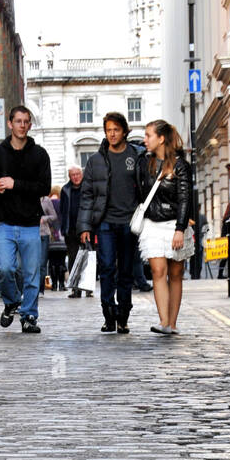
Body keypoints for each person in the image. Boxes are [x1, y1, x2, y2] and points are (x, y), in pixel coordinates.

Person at [0, 105, 51, 335]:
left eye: (26, 121)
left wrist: (15, 184)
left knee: (31, 274)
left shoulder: (39, 154)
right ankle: (11, 302)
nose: (22, 125)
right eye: (18, 121)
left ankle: (29, 316)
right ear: (10, 124)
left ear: (29, 125)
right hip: (4, 221)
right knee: (5, 268)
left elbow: (44, 187)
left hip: (30, 222)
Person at [78, 112, 143, 333]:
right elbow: (87, 195)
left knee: (126, 270)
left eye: (116, 129)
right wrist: (85, 226)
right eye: (108, 130)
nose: (112, 134)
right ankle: (108, 314)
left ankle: (123, 315)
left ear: (125, 131)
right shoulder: (96, 160)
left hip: (129, 222)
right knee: (106, 268)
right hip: (105, 222)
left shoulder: (136, 156)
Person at [135, 119, 193, 336]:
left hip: (174, 225)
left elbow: (185, 198)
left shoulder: (181, 165)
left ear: (160, 138)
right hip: (153, 225)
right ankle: (163, 321)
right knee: (158, 271)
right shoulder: (144, 163)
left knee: (176, 273)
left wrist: (180, 228)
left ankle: (173, 323)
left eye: (148, 135)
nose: (144, 140)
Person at [60, 165, 87, 297]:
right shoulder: (65, 190)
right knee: (73, 259)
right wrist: (63, 228)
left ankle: (87, 287)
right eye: (73, 175)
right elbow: (62, 211)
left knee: (87, 258)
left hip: (86, 229)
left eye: (78, 174)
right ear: (69, 176)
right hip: (70, 230)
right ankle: (76, 288)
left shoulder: (88, 188)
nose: (76, 177)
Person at [46, 187, 67, 290]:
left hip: (50, 236)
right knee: (61, 261)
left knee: (52, 261)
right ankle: (62, 285)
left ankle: (54, 285)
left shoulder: (47, 202)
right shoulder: (62, 203)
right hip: (62, 236)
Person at [39, 192, 58, 293]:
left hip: (43, 234)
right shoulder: (26, 197)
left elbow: (54, 216)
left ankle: (40, 289)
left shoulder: (46, 200)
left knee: (42, 263)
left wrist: (44, 218)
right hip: (30, 234)